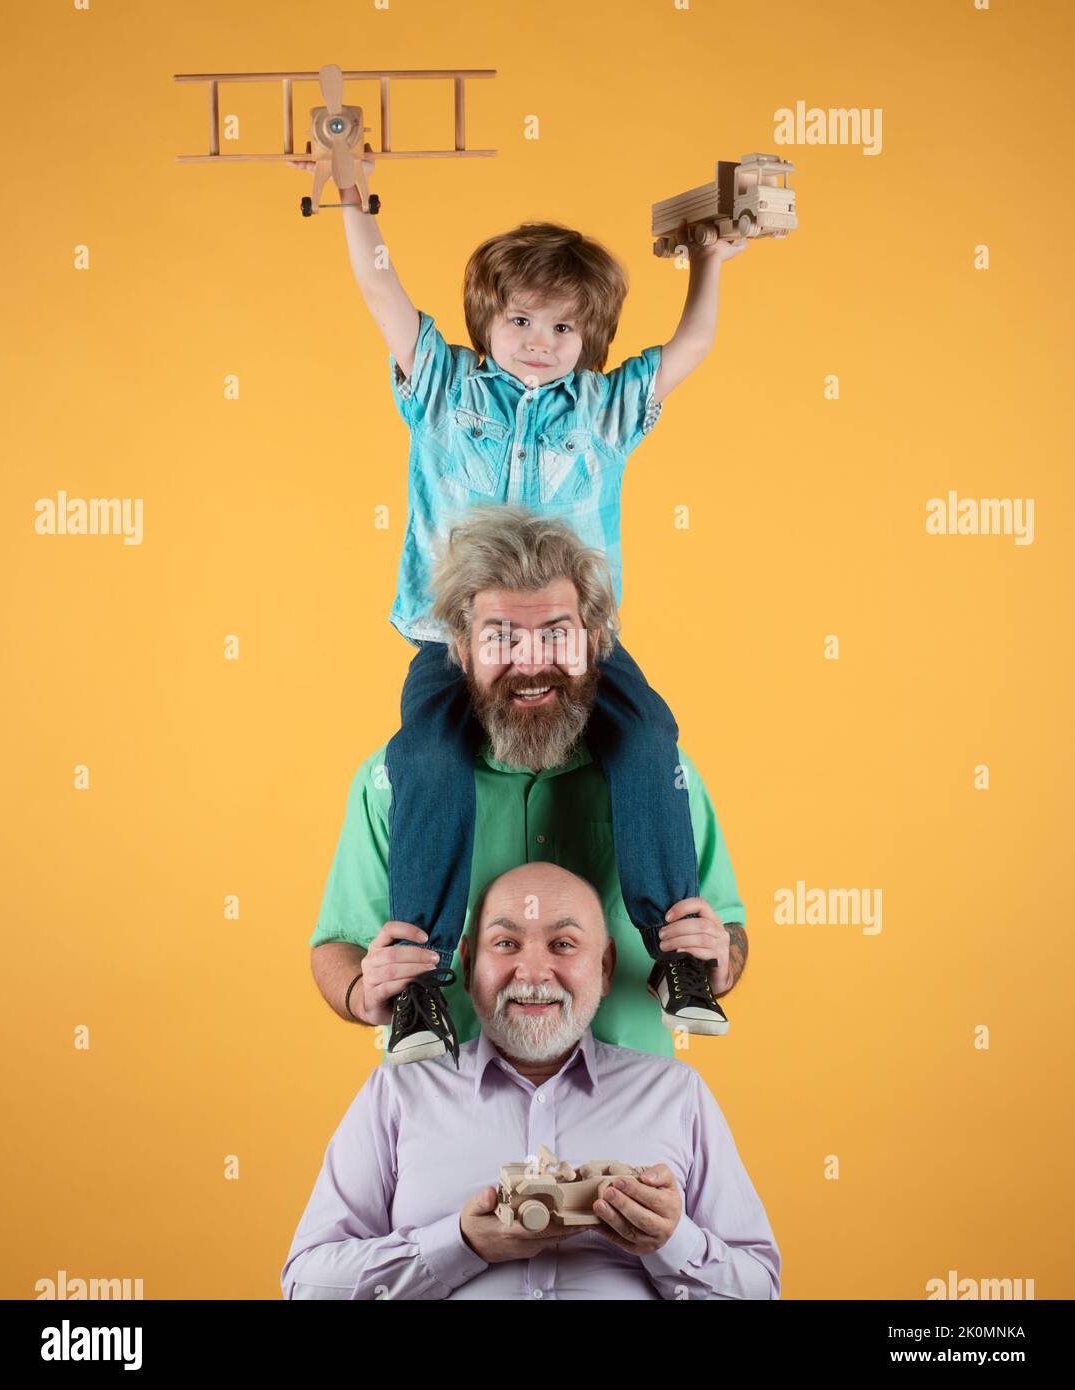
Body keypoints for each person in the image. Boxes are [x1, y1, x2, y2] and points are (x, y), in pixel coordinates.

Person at [287, 150, 748, 1062]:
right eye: (522, 319)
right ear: (486, 322)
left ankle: (675, 961)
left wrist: (709, 263)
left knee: (651, 739)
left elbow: (689, 350)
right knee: (428, 755)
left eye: (565, 327)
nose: (540, 340)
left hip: (583, 646)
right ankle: (419, 983)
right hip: (455, 644)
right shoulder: (446, 390)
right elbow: (382, 296)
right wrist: (352, 196)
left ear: (591, 339)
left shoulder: (603, 410)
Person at [310, 506, 749, 1064]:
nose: (531, 662)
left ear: (593, 644)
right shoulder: (391, 783)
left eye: (557, 635)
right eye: (500, 638)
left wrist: (722, 957)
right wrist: (359, 990)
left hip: (628, 1110)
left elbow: (729, 924)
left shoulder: (664, 773)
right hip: (448, 1107)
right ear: (462, 652)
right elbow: (336, 945)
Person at [283, 862, 779, 1301]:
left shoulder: (675, 1093)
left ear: (604, 967)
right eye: (506, 943)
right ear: (470, 962)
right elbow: (306, 1285)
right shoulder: (397, 1094)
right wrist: (459, 1244)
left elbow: (760, 1288)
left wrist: (672, 1242)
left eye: (564, 944)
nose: (535, 972)